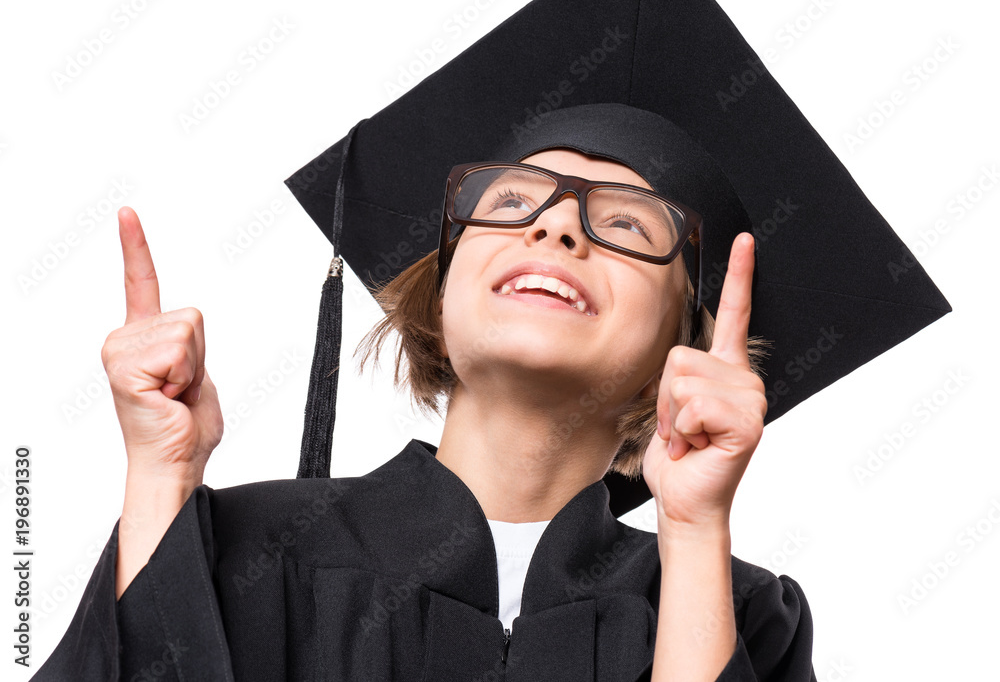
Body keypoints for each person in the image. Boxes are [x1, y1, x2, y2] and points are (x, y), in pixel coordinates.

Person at [33, 137, 815, 681]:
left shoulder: (742, 613)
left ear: (678, 359)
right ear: (440, 301)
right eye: (510, 201)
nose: (557, 225)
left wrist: (695, 531)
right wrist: (158, 479)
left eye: (625, 224)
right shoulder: (240, 552)